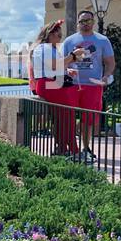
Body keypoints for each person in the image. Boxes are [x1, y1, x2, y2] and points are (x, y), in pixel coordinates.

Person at [60, 10, 114, 162]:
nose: (85, 24)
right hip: (72, 85)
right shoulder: (69, 41)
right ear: (78, 23)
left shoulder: (102, 40)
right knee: (68, 117)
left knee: (89, 119)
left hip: (93, 85)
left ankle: (85, 148)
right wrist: (67, 69)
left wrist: (106, 76)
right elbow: (61, 63)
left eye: (88, 20)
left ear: (93, 21)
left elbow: (110, 62)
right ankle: (69, 148)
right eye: (82, 21)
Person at [30, 19, 81, 157]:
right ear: (49, 34)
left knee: (62, 117)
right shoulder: (44, 48)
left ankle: (63, 149)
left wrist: (67, 70)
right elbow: (54, 66)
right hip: (49, 84)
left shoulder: (48, 49)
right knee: (67, 116)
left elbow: (55, 67)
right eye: (58, 35)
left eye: (60, 36)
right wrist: (73, 56)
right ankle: (73, 151)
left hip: (50, 83)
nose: (60, 38)